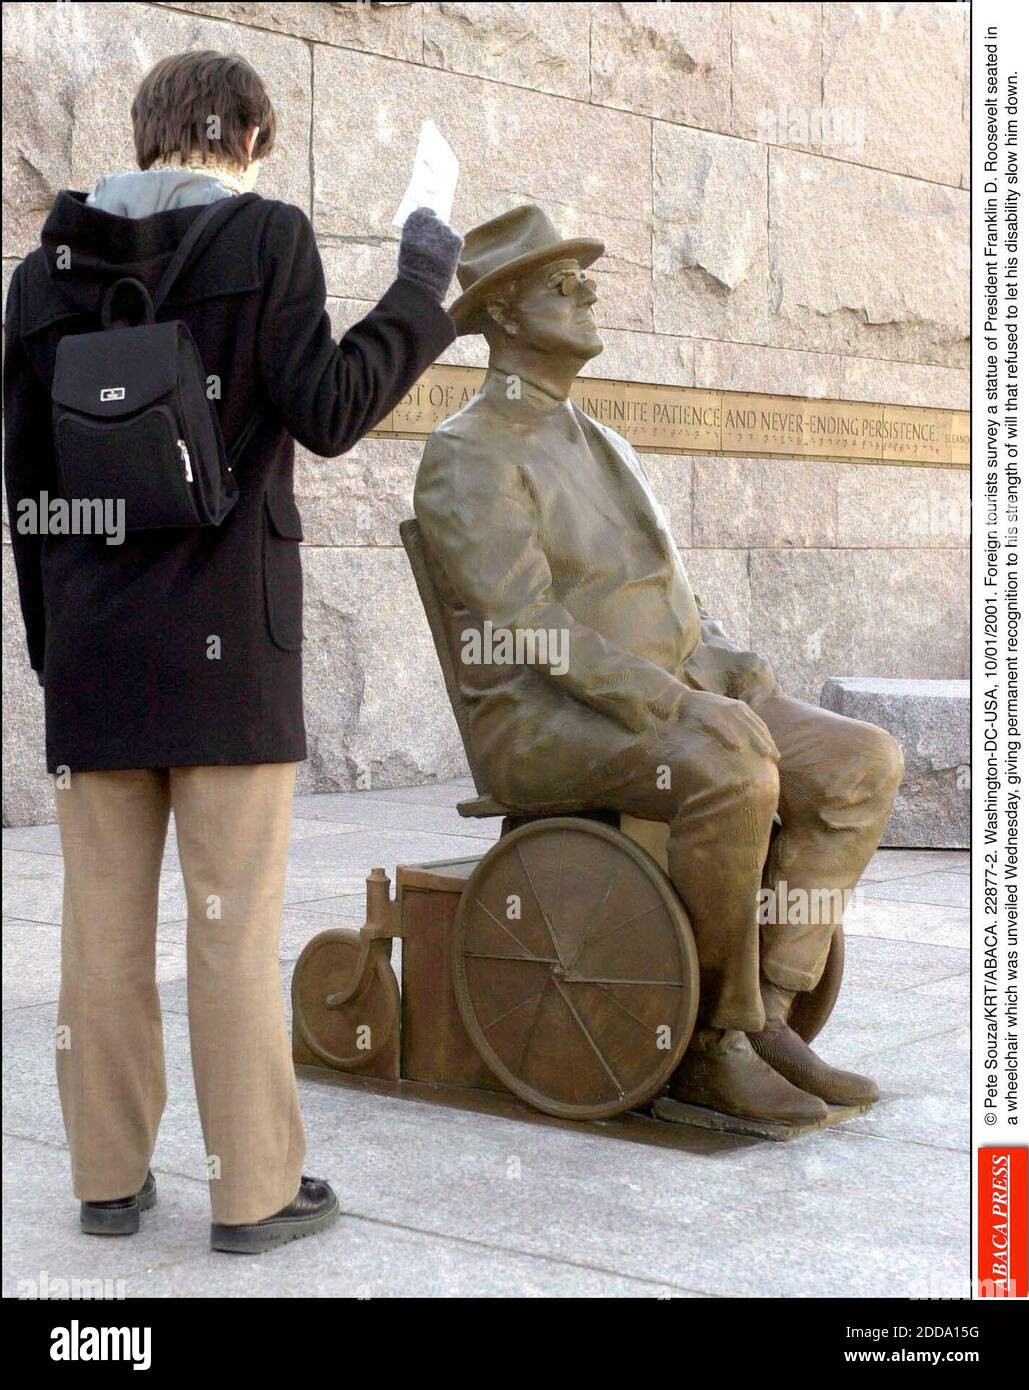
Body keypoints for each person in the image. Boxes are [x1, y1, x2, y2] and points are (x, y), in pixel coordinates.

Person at [3, 49, 463, 1252]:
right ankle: (252, 1192)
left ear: (147, 134)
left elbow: (26, 488)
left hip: (99, 657)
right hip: (228, 654)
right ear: (249, 137)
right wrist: (421, 278)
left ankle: (107, 1181)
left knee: (100, 928)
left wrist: (58, 656)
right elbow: (331, 406)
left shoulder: (40, 276)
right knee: (229, 929)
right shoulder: (268, 241)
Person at [414, 205, 905, 1126]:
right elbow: (525, 625)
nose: (589, 289)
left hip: (667, 689)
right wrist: (667, 703)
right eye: (563, 284)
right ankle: (712, 1045)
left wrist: (723, 663)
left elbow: (661, 592)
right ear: (506, 315)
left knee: (859, 761)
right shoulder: (467, 451)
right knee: (728, 766)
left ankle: (772, 1010)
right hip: (546, 718)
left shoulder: (603, 440)